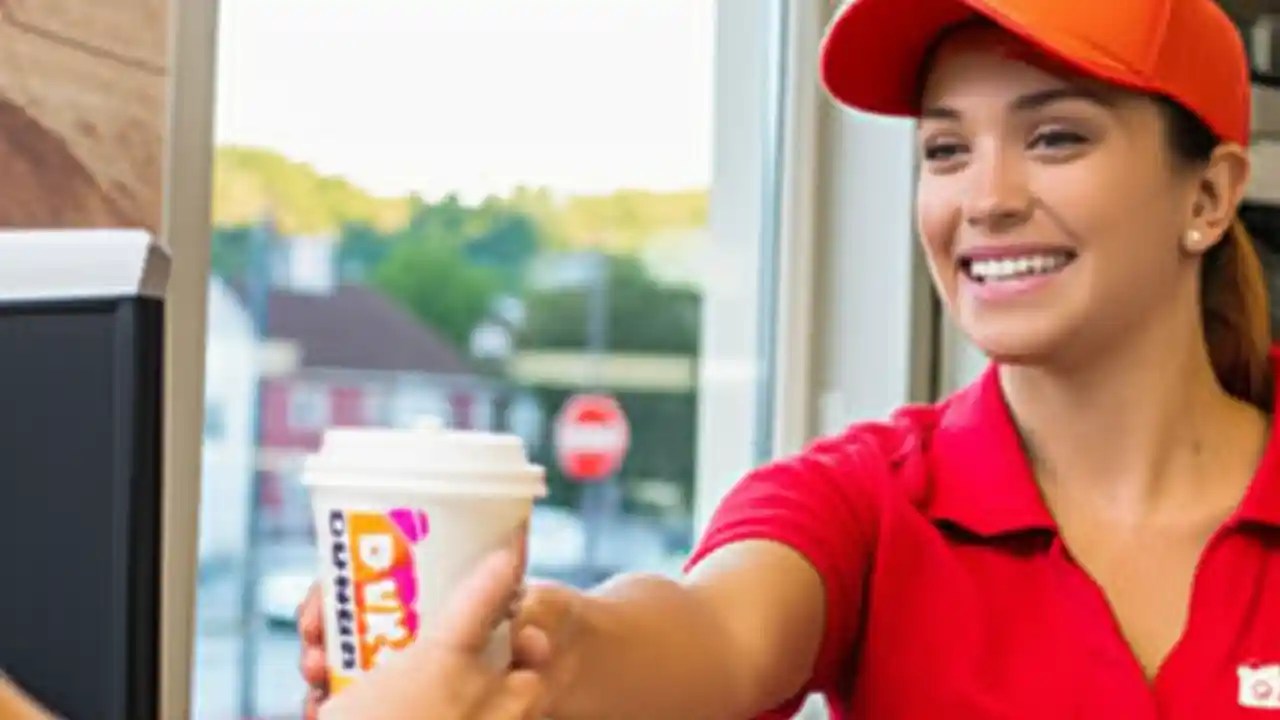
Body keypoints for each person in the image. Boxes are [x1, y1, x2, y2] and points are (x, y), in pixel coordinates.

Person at [301, 0, 1280, 716]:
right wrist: (526, 656)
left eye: (1054, 136)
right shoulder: (861, 501)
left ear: (1205, 197)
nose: (981, 199)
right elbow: (709, 629)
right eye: (944, 151)